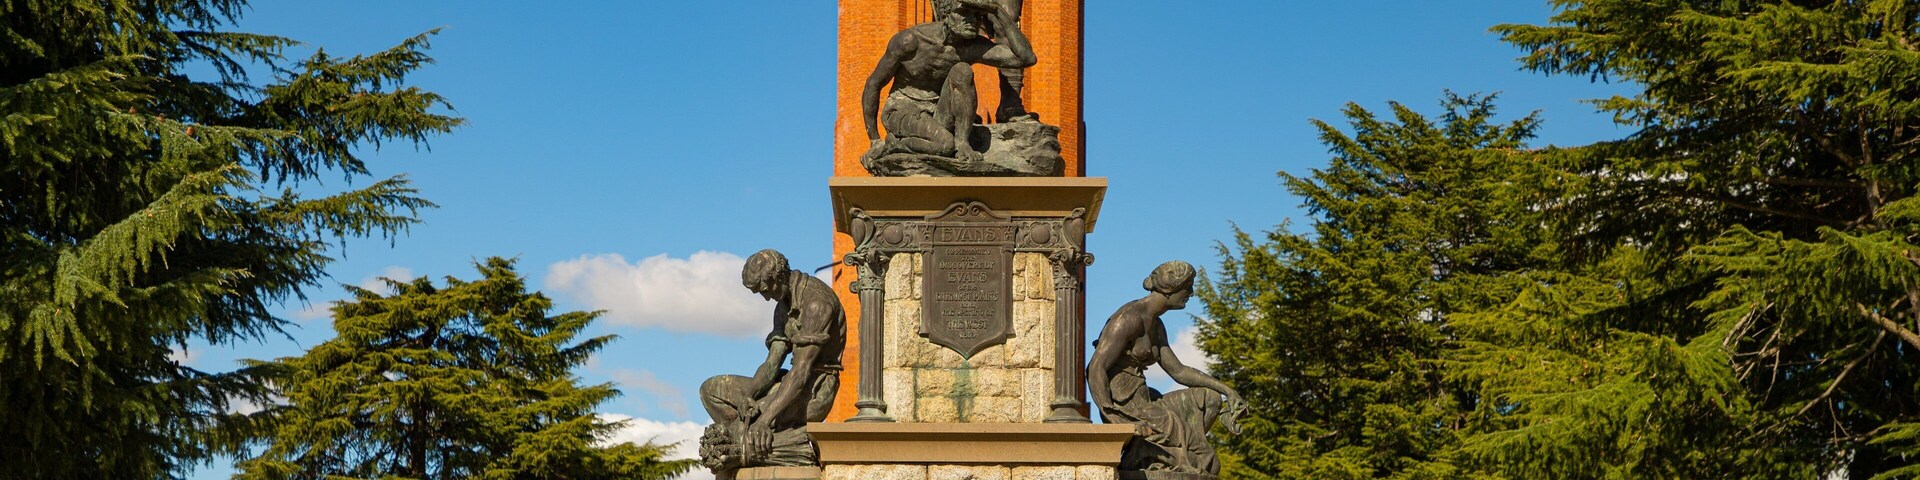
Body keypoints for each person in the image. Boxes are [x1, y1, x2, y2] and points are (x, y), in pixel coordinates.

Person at [1088, 261, 1246, 475]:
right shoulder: (1128, 319)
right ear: (1170, 288)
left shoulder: (1156, 325)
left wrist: (1226, 390)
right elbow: (1096, 367)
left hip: (1147, 401)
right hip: (1128, 408)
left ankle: (1158, 452)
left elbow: (1178, 371)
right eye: (1188, 287)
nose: (1191, 293)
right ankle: (1151, 455)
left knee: (1209, 398)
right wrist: (1112, 416)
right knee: (1207, 461)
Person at [698, 250, 845, 475]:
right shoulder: (782, 306)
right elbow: (772, 364)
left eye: (765, 290)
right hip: (787, 381)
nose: (765, 297)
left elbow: (802, 371)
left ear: (778, 276)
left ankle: (770, 446)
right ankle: (751, 440)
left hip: (814, 390)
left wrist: (764, 420)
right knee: (710, 391)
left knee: (747, 430)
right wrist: (749, 395)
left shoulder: (817, 304)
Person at [860, 0, 1036, 163]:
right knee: (944, 145)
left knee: (962, 70)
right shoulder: (911, 41)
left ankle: (962, 143)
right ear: (946, 14)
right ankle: (894, 146)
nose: (972, 20)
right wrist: (874, 140)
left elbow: (1026, 58)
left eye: (977, 15)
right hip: (904, 109)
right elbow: (873, 84)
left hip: (937, 111)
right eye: (964, 13)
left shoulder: (971, 47)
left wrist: (997, 10)